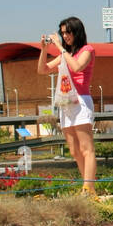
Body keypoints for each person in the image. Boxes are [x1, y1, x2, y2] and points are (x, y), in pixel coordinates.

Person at [37, 17, 97, 194]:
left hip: (81, 101)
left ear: (76, 32)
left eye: (67, 32)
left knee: (86, 148)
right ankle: (87, 186)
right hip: (66, 102)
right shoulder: (64, 55)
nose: (65, 35)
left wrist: (61, 49)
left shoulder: (87, 50)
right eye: (62, 33)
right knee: (74, 150)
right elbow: (43, 70)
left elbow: (77, 66)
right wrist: (44, 50)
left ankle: (88, 188)